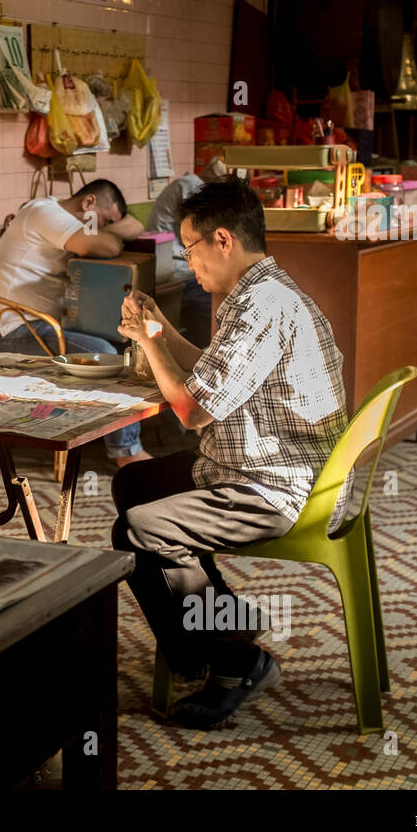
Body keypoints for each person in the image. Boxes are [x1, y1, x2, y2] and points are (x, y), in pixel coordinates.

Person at [113, 175, 349, 730]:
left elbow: (194, 410)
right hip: (268, 464)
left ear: (223, 240)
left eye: (190, 248)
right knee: (133, 486)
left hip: (276, 486)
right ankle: (220, 627)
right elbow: (216, 376)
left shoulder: (261, 305)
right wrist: (163, 330)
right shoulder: (261, 292)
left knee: (140, 531)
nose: (189, 262)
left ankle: (236, 660)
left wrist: (148, 342)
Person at [0, 178, 150, 466]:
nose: (103, 228)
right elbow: (106, 247)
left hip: (47, 324)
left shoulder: (61, 215)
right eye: (104, 220)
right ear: (89, 203)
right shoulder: (44, 213)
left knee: (126, 342)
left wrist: (106, 229)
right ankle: (126, 454)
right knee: (107, 355)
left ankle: (121, 445)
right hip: (16, 330)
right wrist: (104, 235)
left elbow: (136, 226)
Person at [144, 158, 227, 349]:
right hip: (169, 260)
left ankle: (199, 349)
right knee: (207, 293)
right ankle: (202, 350)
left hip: (175, 257)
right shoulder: (191, 185)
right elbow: (204, 227)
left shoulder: (187, 183)